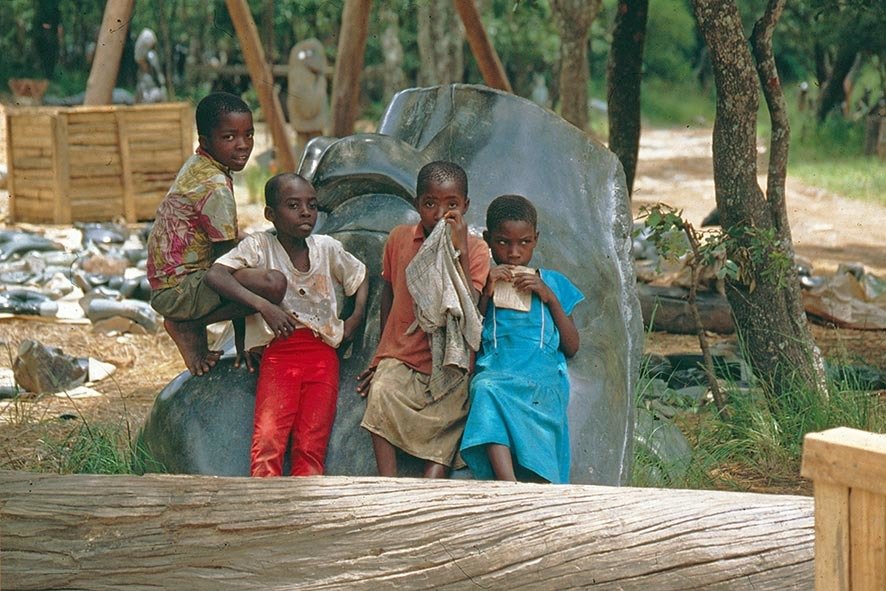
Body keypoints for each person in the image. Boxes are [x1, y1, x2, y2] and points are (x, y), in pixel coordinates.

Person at [206, 173, 368, 477]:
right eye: (293, 205)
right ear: (271, 214)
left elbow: (359, 277)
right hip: (280, 353)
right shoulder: (260, 246)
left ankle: (304, 514)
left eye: (312, 205)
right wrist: (264, 306)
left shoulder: (327, 248)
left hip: (322, 356)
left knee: (311, 444)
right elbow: (215, 274)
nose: (305, 212)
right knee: (269, 439)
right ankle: (264, 511)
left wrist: (354, 320)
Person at [357, 161, 490, 478]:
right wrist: (380, 355)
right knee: (381, 391)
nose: (440, 213)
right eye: (430, 203)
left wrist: (460, 250)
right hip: (403, 354)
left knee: (451, 415)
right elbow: (388, 297)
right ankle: (387, 483)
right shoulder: (399, 239)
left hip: (449, 361)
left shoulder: (478, 249)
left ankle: (429, 490)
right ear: (417, 204)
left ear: (465, 206)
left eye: (451, 204)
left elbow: (468, 308)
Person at [459, 194, 585, 484]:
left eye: (524, 243)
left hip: (538, 374)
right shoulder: (484, 284)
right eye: (503, 242)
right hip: (498, 369)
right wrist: (487, 292)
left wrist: (549, 296)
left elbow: (572, 346)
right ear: (489, 240)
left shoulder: (552, 282)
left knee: (508, 392)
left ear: (536, 240)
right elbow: (471, 336)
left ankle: (537, 480)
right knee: (485, 388)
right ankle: (508, 483)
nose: (514, 253)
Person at [147, 92, 265, 377]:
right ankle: (186, 324)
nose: (243, 146)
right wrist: (245, 340)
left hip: (171, 280)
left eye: (248, 135)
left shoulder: (200, 164)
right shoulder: (216, 188)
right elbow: (230, 268)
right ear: (205, 140)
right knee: (271, 284)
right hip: (178, 293)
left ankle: (191, 323)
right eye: (229, 137)